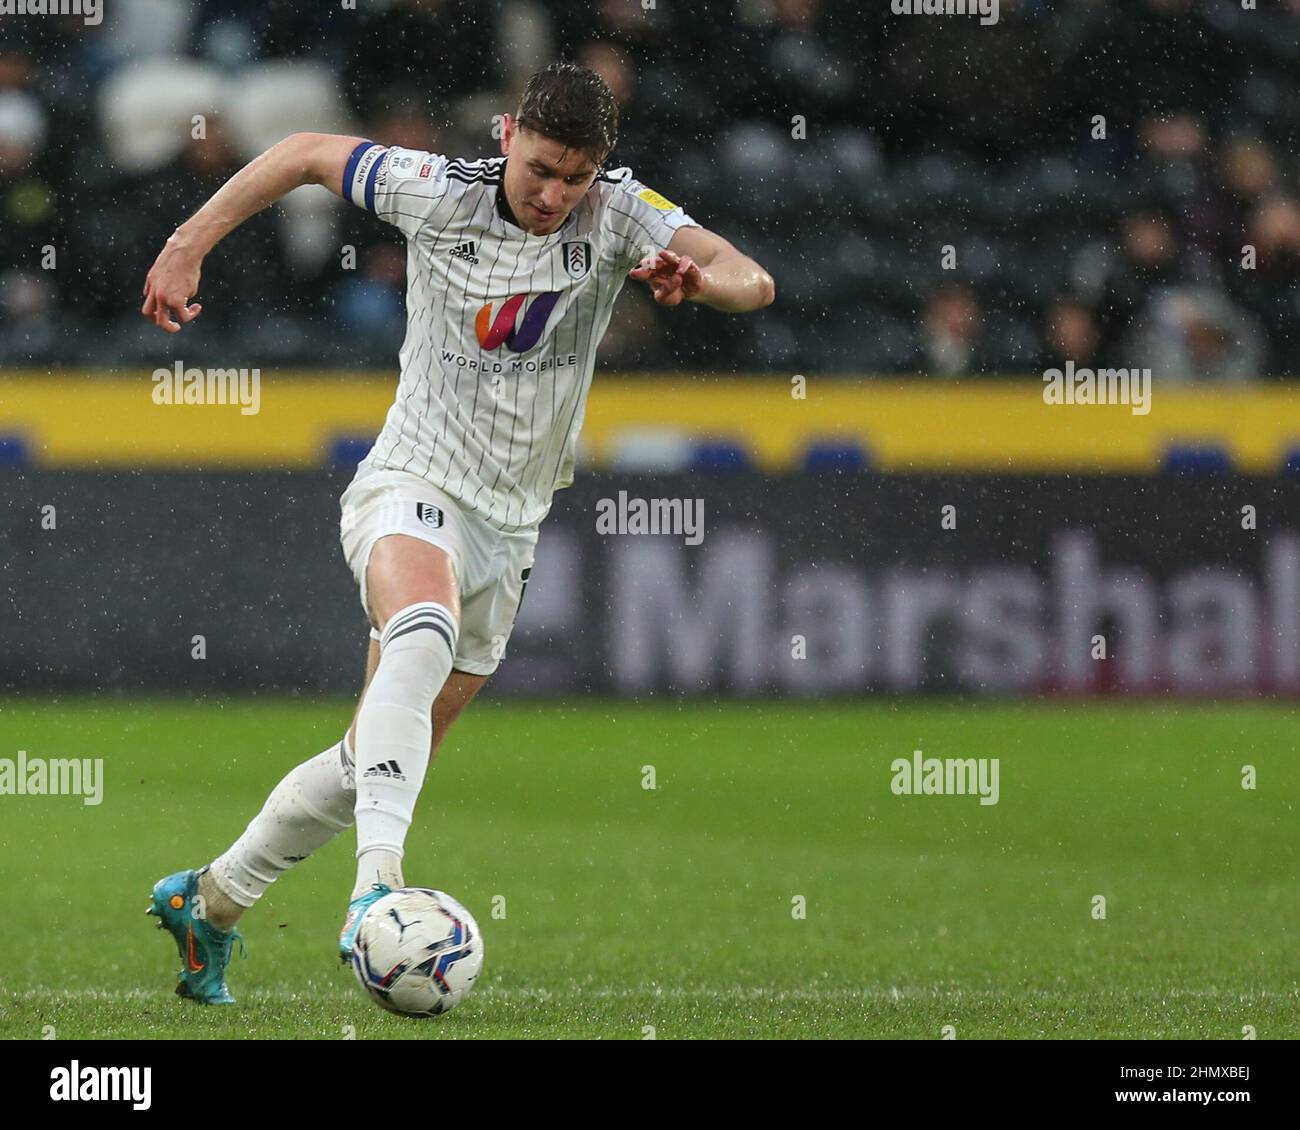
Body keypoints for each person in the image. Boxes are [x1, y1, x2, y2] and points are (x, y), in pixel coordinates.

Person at [139, 62, 775, 1004]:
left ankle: (215, 901)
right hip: (411, 483)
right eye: (542, 168)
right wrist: (189, 243)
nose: (557, 193)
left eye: (577, 176)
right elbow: (306, 153)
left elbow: (750, 279)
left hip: (512, 530)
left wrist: (703, 281)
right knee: (420, 634)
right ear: (507, 134)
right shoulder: (438, 192)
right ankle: (375, 893)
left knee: (374, 760)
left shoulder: (623, 210)